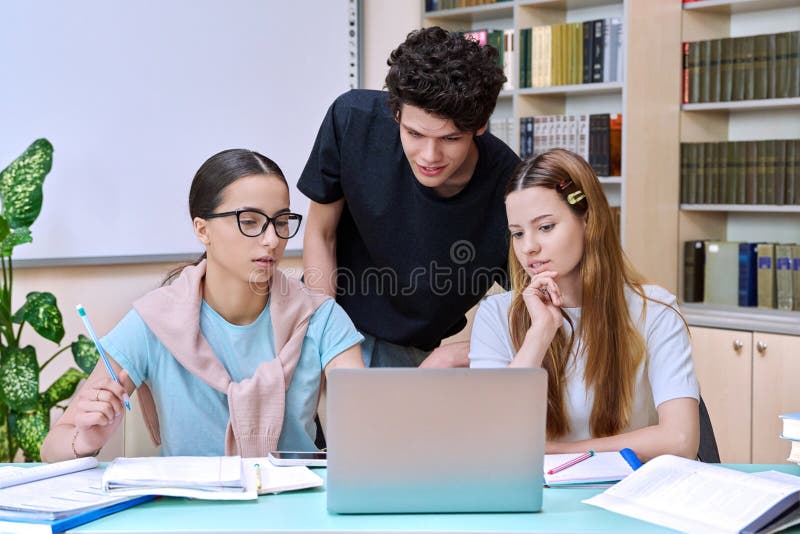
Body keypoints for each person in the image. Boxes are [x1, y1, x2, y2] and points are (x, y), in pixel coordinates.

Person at [41, 149, 364, 462]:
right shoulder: (155, 320)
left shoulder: (320, 316)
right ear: (202, 229)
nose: (272, 240)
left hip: (293, 497)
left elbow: (366, 431)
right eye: (250, 221)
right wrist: (85, 439)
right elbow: (52, 448)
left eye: (281, 222)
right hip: (183, 498)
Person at [299, 26, 520, 368]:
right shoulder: (353, 120)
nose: (429, 156)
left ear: (481, 125)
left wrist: (460, 353)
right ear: (396, 113)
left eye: (450, 139)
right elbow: (321, 233)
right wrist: (325, 340)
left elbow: (533, 300)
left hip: (413, 351)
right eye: (414, 134)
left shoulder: (511, 187)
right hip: (327, 319)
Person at [468, 148, 700, 461]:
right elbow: (491, 436)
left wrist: (559, 453)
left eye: (546, 227)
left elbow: (681, 440)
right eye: (518, 233)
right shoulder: (496, 314)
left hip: (626, 485)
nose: (529, 247)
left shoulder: (655, 310)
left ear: (588, 221)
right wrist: (540, 333)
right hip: (536, 488)